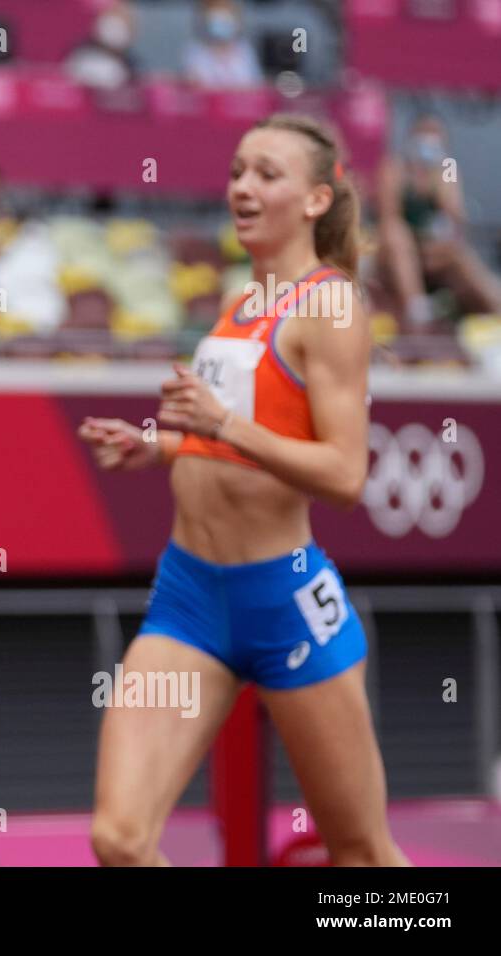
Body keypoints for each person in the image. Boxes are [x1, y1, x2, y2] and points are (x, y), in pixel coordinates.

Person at [79, 114, 407, 867]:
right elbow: (232, 441)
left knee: (361, 854)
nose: (242, 188)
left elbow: (346, 477)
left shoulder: (329, 307)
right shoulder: (243, 298)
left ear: (318, 199)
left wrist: (221, 425)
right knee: (119, 840)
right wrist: (159, 445)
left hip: (283, 600)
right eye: (236, 172)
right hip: (190, 595)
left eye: (267, 173)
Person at [376, 113, 501, 329]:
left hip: (435, 252)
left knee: (459, 254)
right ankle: (417, 308)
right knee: (397, 236)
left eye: (434, 134)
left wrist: (438, 185)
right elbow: (388, 216)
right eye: (424, 133)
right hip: (399, 253)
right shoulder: (395, 168)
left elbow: (457, 217)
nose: (428, 140)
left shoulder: (447, 170)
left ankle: (495, 305)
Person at [184, 0, 263, 91]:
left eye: (226, 18)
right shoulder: (195, 52)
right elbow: (195, 86)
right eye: (215, 18)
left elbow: (255, 85)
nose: (221, 22)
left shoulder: (245, 50)